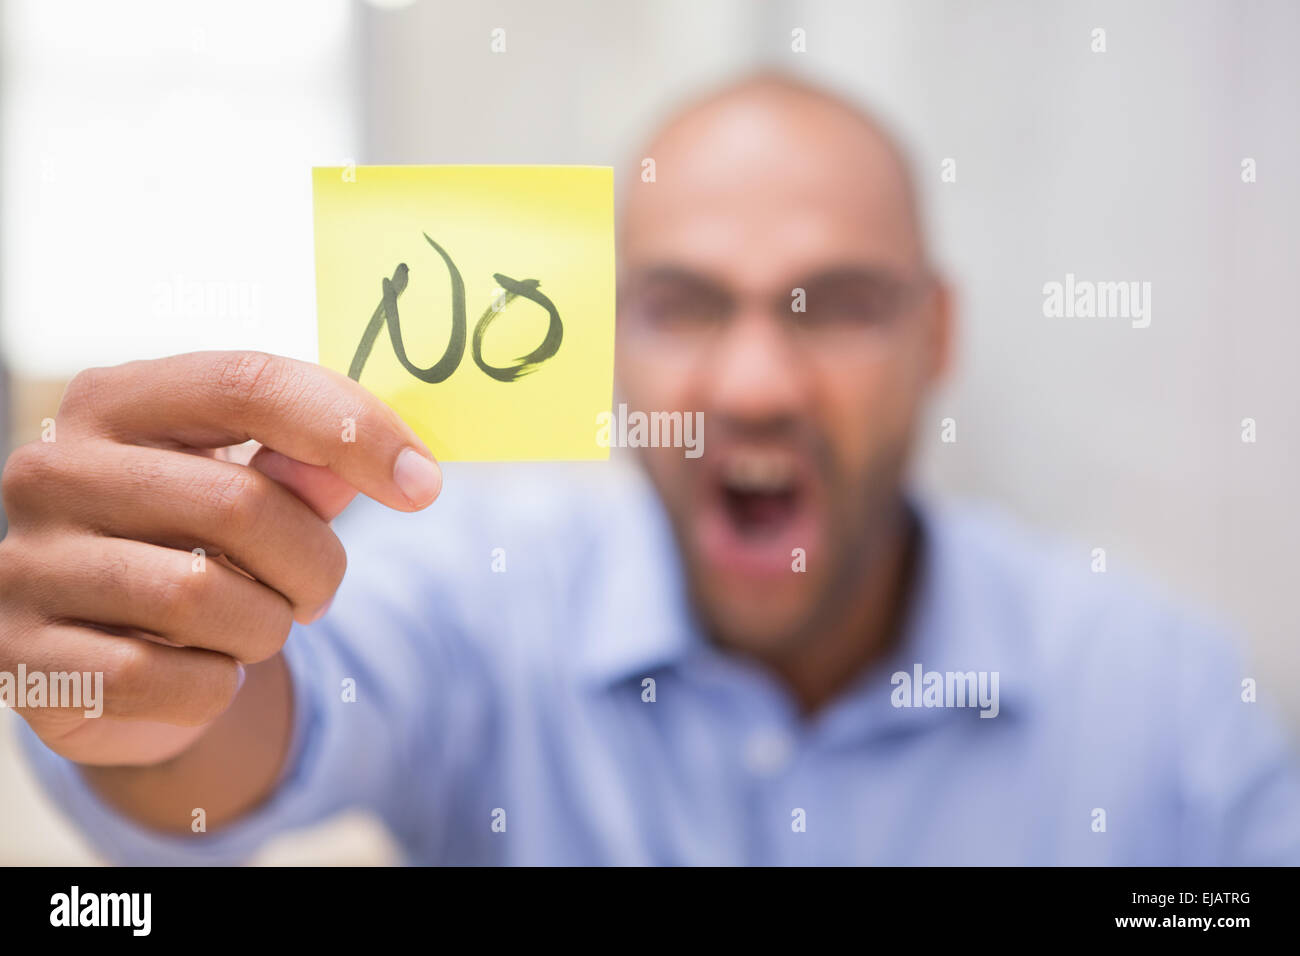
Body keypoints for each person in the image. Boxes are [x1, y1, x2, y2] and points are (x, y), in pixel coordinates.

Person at [3, 72, 1298, 865]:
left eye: (833, 303)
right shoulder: (482, 595)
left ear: (937, 338)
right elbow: (249, 734)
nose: (751, 385)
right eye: (682, 305)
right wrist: (147, 687)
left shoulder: (1159, 701)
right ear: (604, 337)